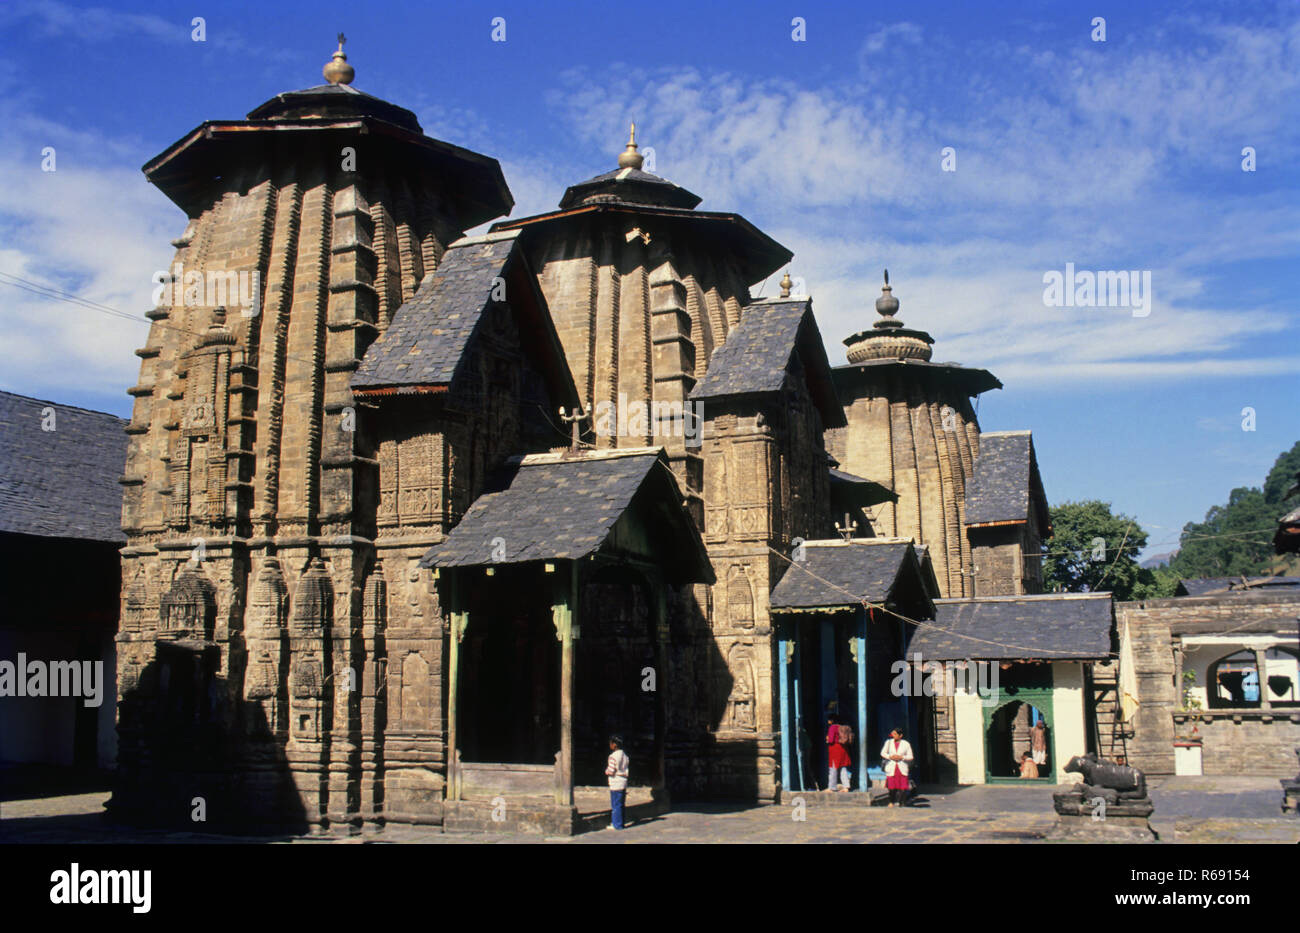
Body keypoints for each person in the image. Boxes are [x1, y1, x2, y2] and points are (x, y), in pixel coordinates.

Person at [881, 726, 913, 807]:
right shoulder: (888, 742)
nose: (893, 735)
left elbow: (911, 756)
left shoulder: (906, 744)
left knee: (903, 786)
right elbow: (883, 753)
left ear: (900, 735)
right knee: (891, 786)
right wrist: (890, 757)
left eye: (895, 734)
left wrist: (902, 757)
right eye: (893, 734)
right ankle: (891, 801)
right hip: (891, 766)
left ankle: (902, 802)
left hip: (902, 767)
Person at [605, 734, 630, 830]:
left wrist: (606, 771)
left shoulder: (613, 756)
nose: (610, 745)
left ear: (614, 745)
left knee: (615, 805)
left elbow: (611, 770)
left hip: (615, 782)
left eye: (610, 743)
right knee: (621, 804)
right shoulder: (625, 756)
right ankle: (621, 822)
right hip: (623, 781)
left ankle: (617, 824)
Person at [826, 713, 851, 792]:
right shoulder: (841, 727)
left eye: (829, 720)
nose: (828, 721)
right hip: (843, 749)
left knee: (833, 769)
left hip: (835, 750)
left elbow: (831, 740)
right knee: (843, 768)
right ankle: (846, 786)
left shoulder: (832, 727)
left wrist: (827, 739)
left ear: (832, 720)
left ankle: (832, 787)